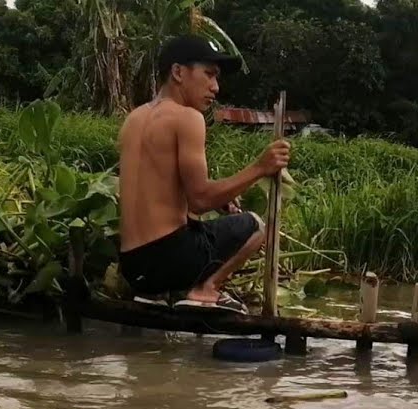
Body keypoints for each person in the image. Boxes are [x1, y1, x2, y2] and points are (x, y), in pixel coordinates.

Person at [116, 35, 291, 314]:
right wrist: (260, 167)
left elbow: (162, 190)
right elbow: (199, 200)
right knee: (256, 225)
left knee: (191, 226)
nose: (215, 87)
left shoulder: (133, 119)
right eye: (209, 75)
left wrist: (222, 200)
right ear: (178, 72)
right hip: (169, 260)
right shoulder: (188, 118)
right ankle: (205, 290)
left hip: (133, 266)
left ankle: (156, 295)